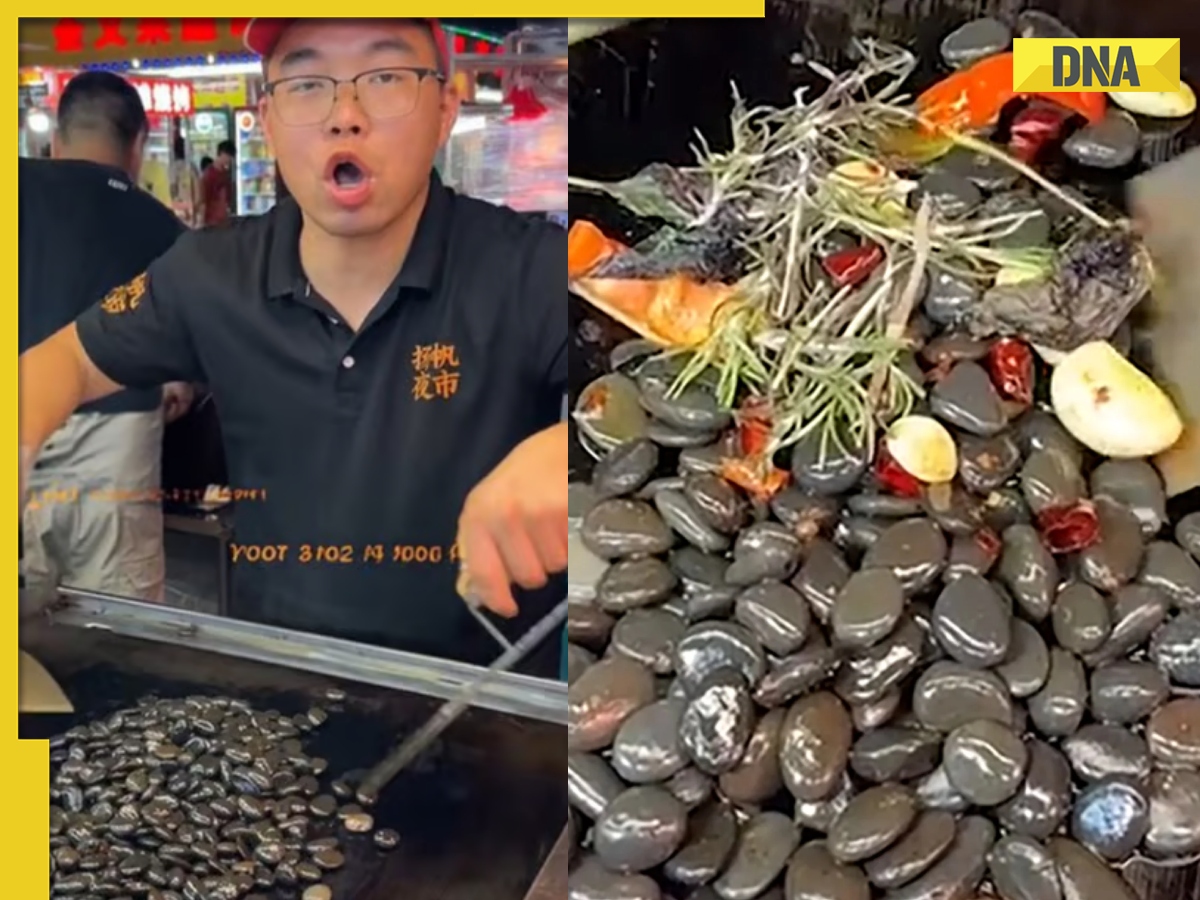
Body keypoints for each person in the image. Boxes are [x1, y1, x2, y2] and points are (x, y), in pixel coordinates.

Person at [19, 19, 567, 665]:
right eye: (307, 83)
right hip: (274, 679)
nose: (345, 115)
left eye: (385, 77)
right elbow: (66, 359)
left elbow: (635, 377)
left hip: (489, 689)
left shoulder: (534, 269)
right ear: (269, 122)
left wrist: (567, 452)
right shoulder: (211, 272)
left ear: (445, 110)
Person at [19, 71, 193, 603]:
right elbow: (187, 350)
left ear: (57, 136)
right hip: (116, 443)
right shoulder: (163, 228)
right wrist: (178, 381)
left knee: (23, 615)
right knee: (118, 616)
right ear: (138, 144)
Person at [199, 139, 235, 226]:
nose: (230, 159)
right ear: (222, 153)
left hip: (223, 218)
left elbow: (228, 197)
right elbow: (204, 199)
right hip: (211, 220)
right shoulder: (209, 174)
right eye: (229, 156)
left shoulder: (225, 174)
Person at [169, 134, 202, 227]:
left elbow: (172, 190)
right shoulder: (193, 168)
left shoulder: (173, 168)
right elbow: (198, 193)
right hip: (191, 212)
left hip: (178, 213)